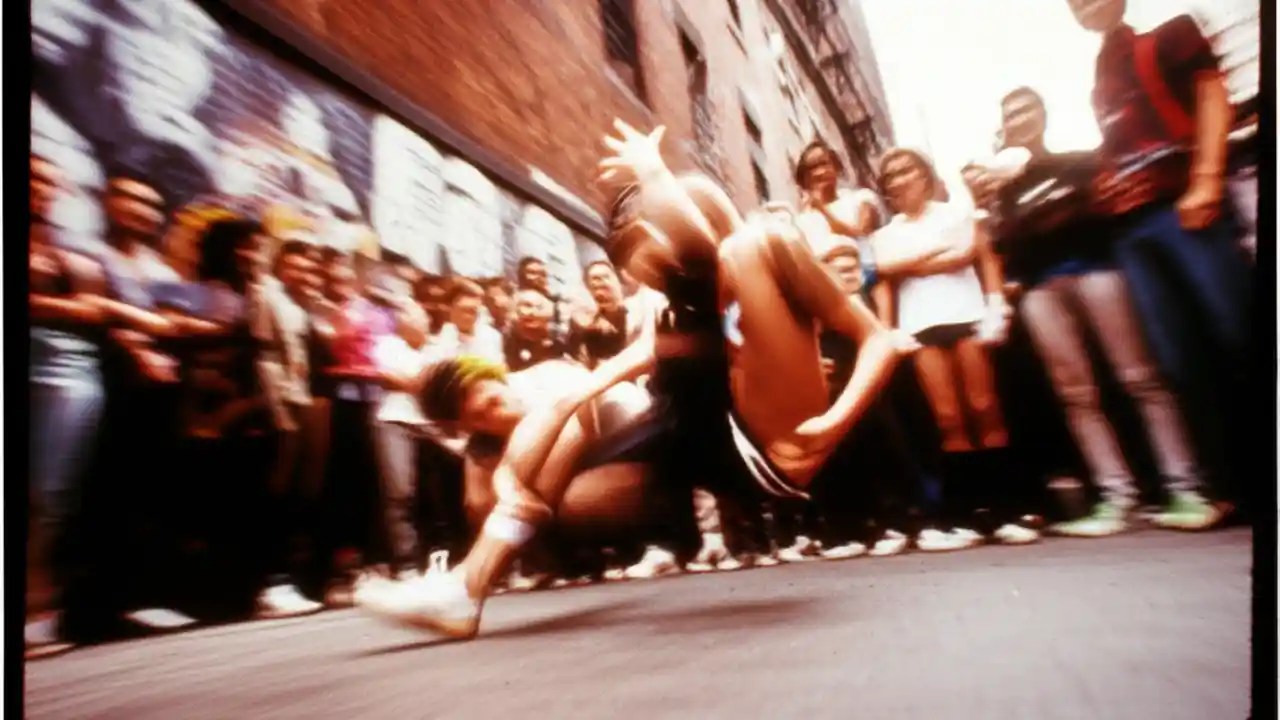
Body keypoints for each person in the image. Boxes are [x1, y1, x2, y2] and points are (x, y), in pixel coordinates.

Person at [355, 119, 900, 638]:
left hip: (763, 442)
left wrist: (834, 420)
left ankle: (479, 572)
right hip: (689, 445)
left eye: (644, 245)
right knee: (570, 453)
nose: (640, 269)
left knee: (735, 250)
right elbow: (577, 395)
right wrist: (518, 476)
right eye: (632, 259)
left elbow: (881, 338)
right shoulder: (669, 315)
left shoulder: (763, 248)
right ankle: (465, 589)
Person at [981, 86, 1217, 534]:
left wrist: (1052, 216)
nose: (1019, 118)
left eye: (1026, 109)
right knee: (1076, 395)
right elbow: (1004, 244)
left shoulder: (1081, 162)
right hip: (1041, 291)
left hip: (1098, 273)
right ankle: (1116, 496)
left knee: (1140, 377)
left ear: (1043, 113)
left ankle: (1184, 486)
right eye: (1010, 114)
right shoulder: (1003, 190)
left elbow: (1101, 209)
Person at [1067, 0, 1251, 519]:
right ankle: (1226, 490)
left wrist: (1207, 180)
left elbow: (1213, 95)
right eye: (1074, 3)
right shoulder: (1101, 70)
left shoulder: (1169, 31)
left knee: (1238, 333)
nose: (1085, 6)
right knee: (1178, 358)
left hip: (1183, 207)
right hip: (1132, 228)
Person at [868, 147, 1039, 547]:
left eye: (905, 170)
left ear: (925, 174)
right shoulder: (884, 234)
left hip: (967, 314)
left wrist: (995, 304)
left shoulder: (958, 214)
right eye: (889, 175)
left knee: (984, 407)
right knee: (947, 419)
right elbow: (887, 274)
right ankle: (966, 514)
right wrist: (889, 327)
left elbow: (980, 256)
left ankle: (1007, 510)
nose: (897, 179)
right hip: (919, 325)